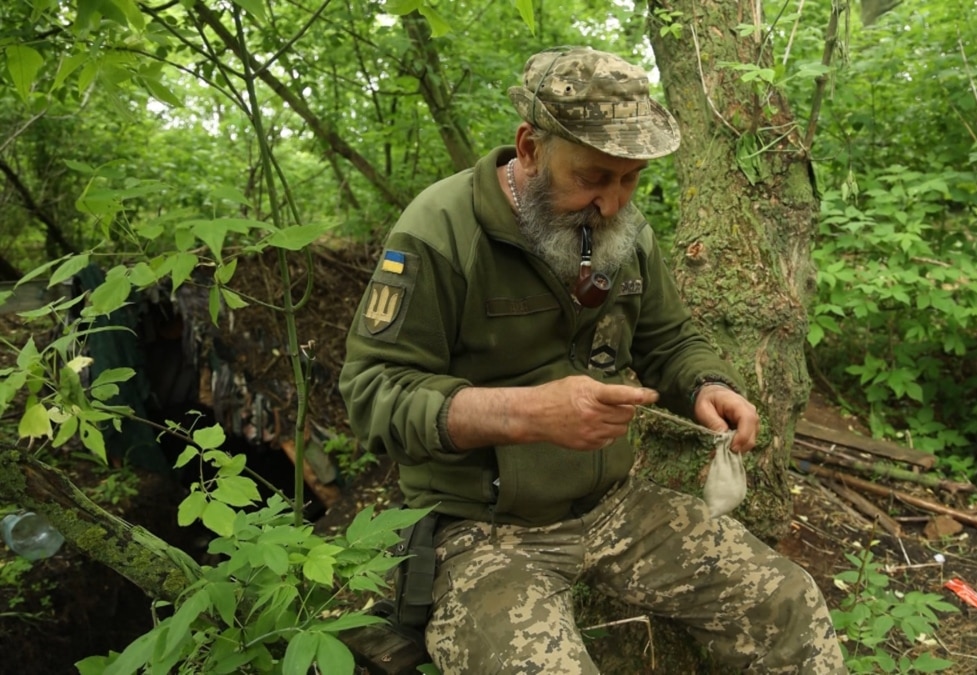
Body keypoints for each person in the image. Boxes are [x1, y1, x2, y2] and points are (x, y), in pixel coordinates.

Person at [339, 46, 846, 675]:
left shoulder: (623, 231)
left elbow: (668, 339)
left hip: (615, 505)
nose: (612, 202)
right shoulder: (439, 232)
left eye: (630, 179)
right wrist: (526, 413)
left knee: (787, 601)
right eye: (593, 177)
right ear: (529, 149)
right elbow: (372, 392)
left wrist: (707, 385)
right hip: (479, 529)